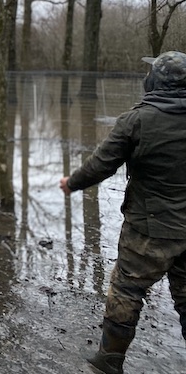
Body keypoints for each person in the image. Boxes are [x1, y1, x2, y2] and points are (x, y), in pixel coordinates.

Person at [59, 50, 186, 374]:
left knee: (127, 290)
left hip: (148, 228)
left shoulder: (137, 119)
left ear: (155, 81)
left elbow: (102, 164)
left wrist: (71, 183)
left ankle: (109, 361)